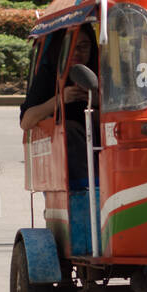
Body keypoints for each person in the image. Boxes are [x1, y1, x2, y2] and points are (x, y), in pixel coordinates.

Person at [20, 24, 100, 186]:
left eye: (84, 46)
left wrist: (96, 99)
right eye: (71, 46)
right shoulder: (48, 74)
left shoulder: (101, 70)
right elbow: (26, 121)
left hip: (101, 155)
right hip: (62, 166)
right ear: (60, 48)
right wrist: (60, 99)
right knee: (70, 130)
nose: (77, 52)